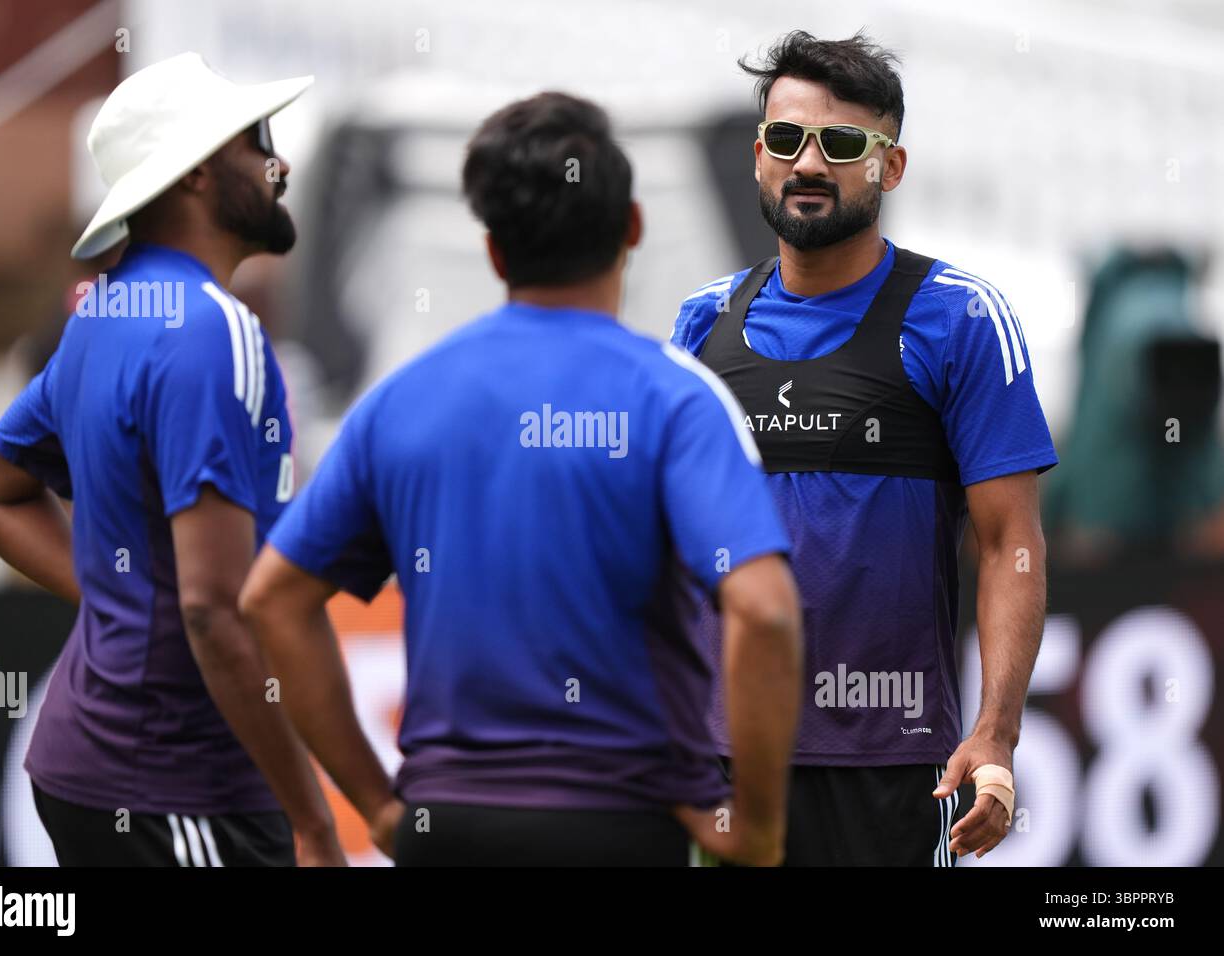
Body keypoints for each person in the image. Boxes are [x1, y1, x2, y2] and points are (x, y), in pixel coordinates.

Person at [239, 91, 804, 867]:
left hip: (449, 830)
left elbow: (271, 598)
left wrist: (374, 803)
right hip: (621, 828)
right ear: (632, 228)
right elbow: (767, 614)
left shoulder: (401, 401)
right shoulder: (676, 398)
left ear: (495, 252)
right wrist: (761, 829)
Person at [671, 31, 1058, 865]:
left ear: (891, 165)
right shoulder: (702, 321)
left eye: (842, 144)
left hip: (895, 769)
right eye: (786, 139)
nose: (808, 163)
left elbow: (1009, 543)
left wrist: (995, 735)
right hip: (726, 766)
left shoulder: (960, 317)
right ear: (758, 157)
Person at [0, 53, 344, 866]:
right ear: (200, 172)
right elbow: (211, 610)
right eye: (259, 141)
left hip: (91, 771)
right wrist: (311, 818)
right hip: (179, 781)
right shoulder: (212, 330)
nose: (281, 163)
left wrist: (114, 594)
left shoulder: (108, 312)